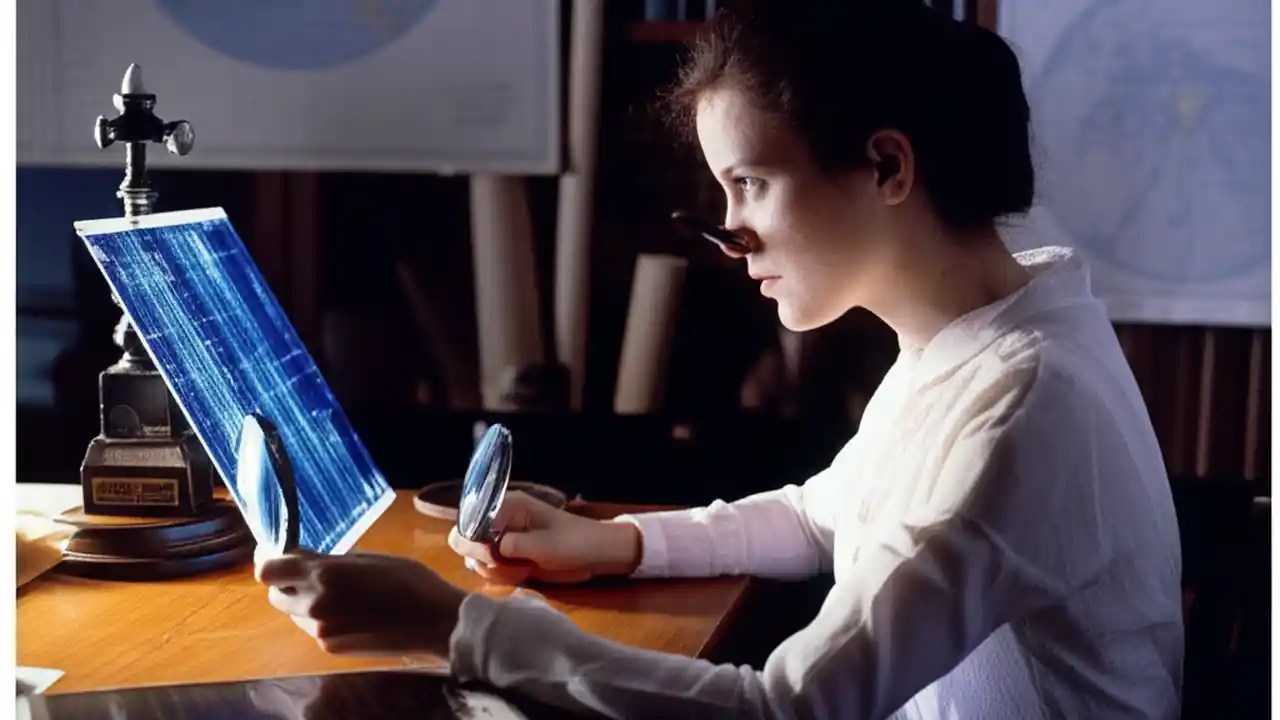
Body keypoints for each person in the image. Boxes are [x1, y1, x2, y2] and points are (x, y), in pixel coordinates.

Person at [255, 2, 1184, 717]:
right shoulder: (973, 341)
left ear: (887, 168)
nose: (730, 231)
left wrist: (456, 626)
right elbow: (823, 514)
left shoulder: (1023, 405)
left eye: (750, 183)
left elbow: (786, 709)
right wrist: (618, 543)